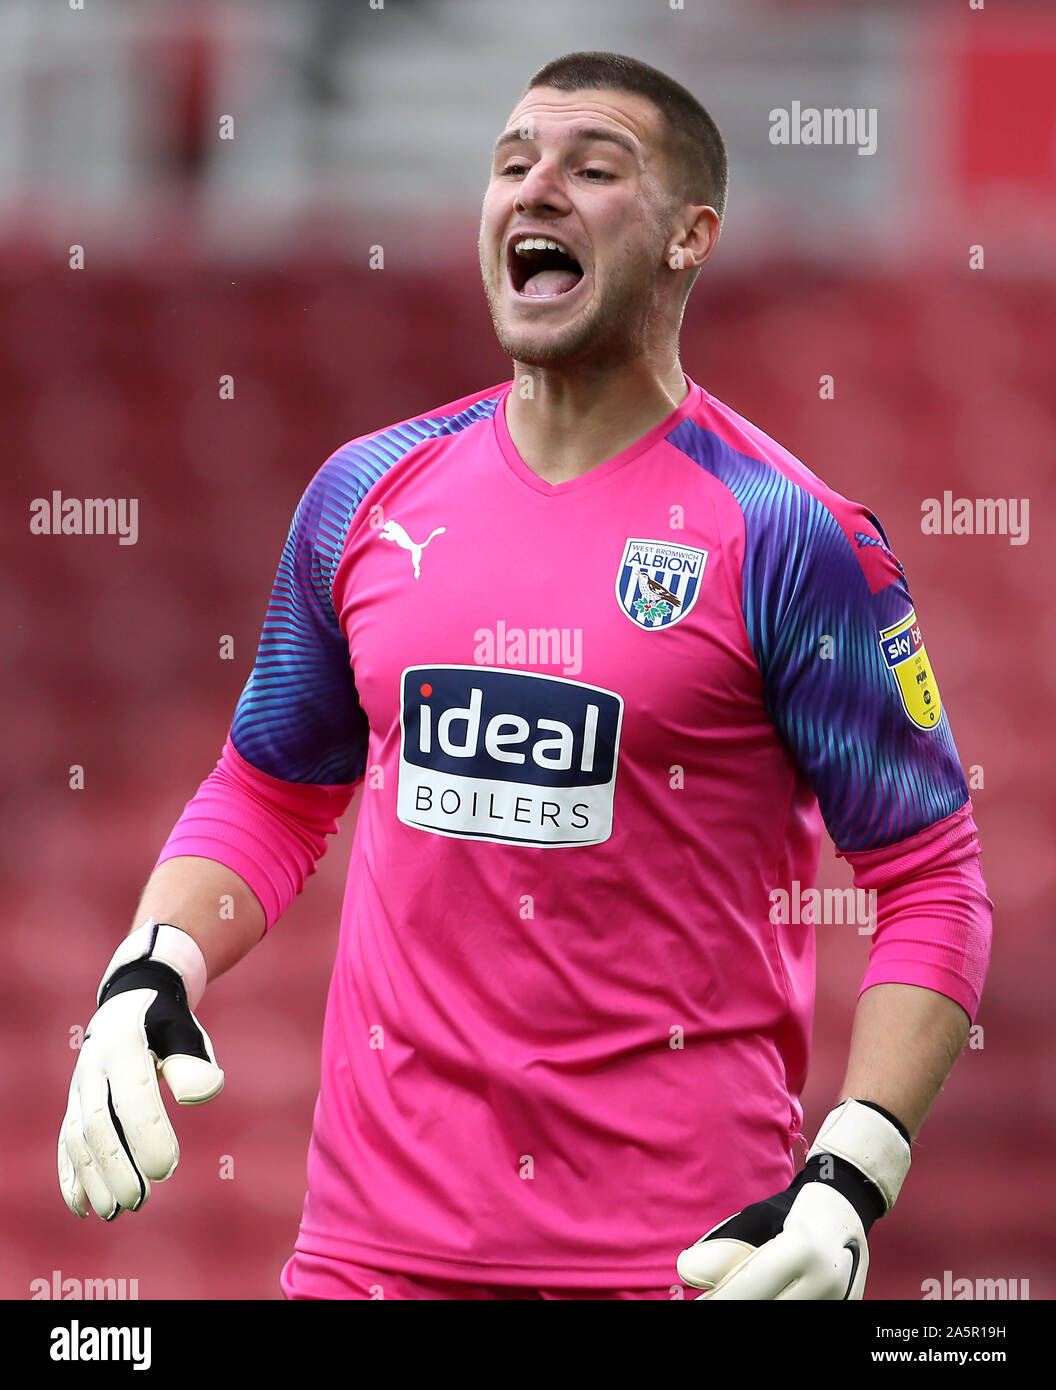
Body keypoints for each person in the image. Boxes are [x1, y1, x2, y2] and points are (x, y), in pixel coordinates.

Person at [58, 51, 992, 1301]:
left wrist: (852, 1171)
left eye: (591, 168)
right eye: (510, 165)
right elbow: (272, 789)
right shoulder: (363, 497)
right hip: (367, 1260)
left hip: (683, 1266)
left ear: (687, 238)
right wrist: (149, 965)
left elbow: (932, 879)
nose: (533, 189)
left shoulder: (786, 535)